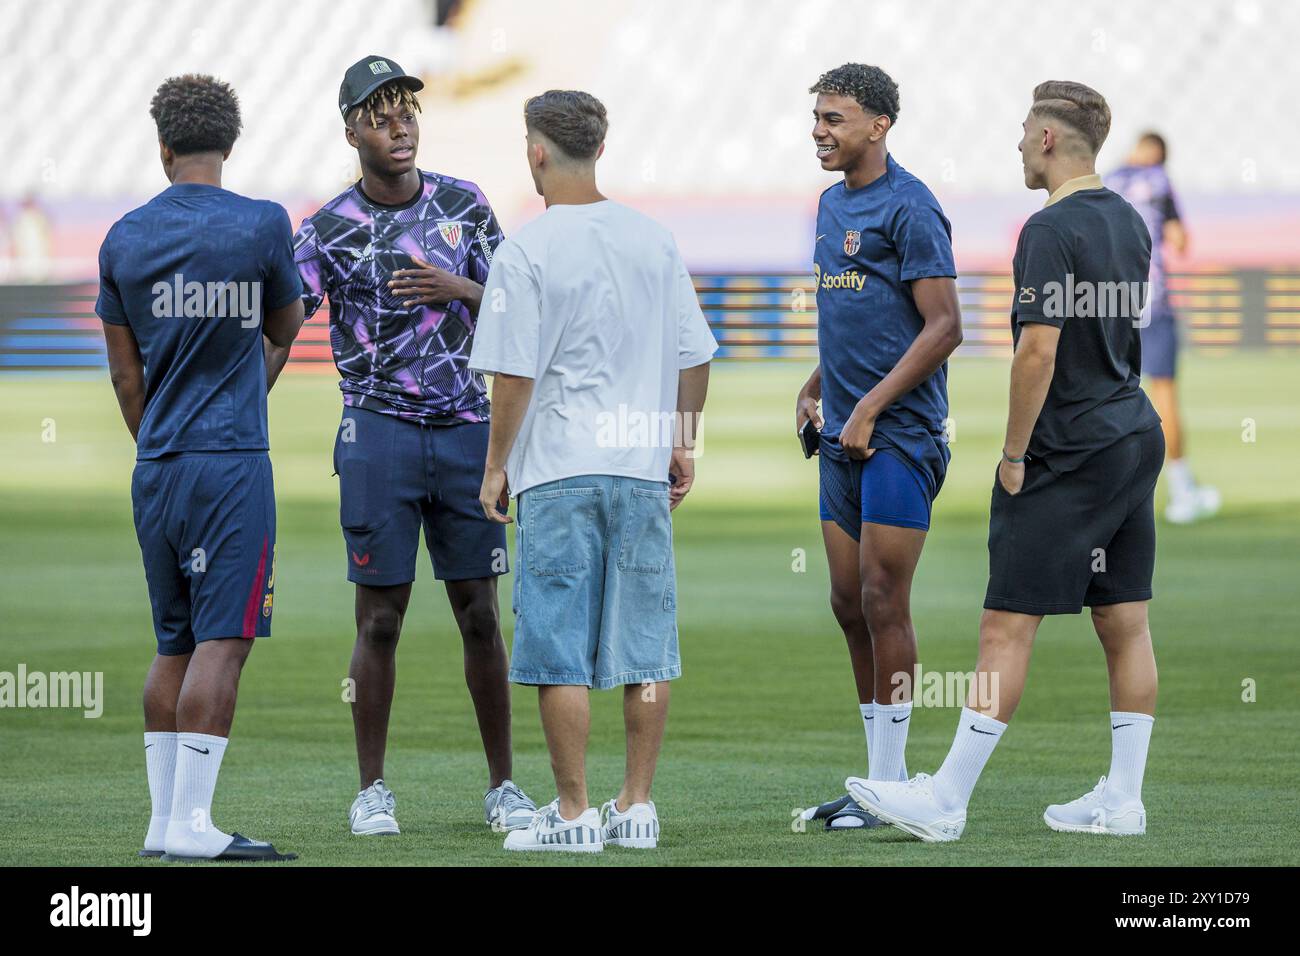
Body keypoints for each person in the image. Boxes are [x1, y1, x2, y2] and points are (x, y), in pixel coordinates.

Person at [848, 81, 1163, 841]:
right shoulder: (1129, 220)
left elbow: (1038, 350)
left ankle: (947, 798)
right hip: (1131, 434)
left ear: (1052, 139)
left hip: (1069, 448)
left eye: (1026, 129)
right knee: (1124, 622)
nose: (1019, 141)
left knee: (1004, 627)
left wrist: (1014, 453)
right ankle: (1124, 799)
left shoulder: (1047, 230)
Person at [291, 55, 534, 836]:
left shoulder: (464, 203)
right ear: (352, 129)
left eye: (408, 114)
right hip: (377, 435)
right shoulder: (325, 228)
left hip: (467, 430)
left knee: (480, 618)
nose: (400, 128)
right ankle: (371, 791)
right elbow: (281, 317)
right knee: (380, 622)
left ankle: (503, 786)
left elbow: (522, 303)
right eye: (382, 116)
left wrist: (459, 289)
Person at [469, 90, 717, 853]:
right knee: (646, 645)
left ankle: (573, 813)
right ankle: (637, 806)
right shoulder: (653, 239)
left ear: (537, 151)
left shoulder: (526, 250)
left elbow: (512, 376)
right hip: (639, 465)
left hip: (560, 469)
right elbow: (696, 353)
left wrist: (494, 466)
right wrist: (683, 443)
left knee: (556, 647)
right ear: (598, 148)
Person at [97, 74, 304, 862]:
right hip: (232, 466)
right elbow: (286, 324)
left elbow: (124, 375)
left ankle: (162, 822)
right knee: (227, 637)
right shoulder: (260, 224)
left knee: (174, 641)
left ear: (163, 146)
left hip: (157, 463)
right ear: (232, 140)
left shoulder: (125, 235)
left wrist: (155, 441)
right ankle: (192, 826)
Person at [795, 64, 963, 829]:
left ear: (878, 125)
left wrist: (866, 407)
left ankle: (892, 782)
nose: (820, 132)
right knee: (845, 601)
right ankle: (875, 780)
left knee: (882, 597)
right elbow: (858, 315)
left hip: (898, 432)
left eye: (835, 119)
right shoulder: (830, 204)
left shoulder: (913, 205)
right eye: (817, 118)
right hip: (842, 429)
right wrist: (817, 382)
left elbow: (944, 326)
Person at [1108, 133, 1219, 523]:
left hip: (1109, 304)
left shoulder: (1106, 180)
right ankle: (1182, 492)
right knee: (1165, 395)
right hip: (1153, 300)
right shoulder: (1158, 180)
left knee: (1108, 396)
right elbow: (1180, 239)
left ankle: (1107, 495)